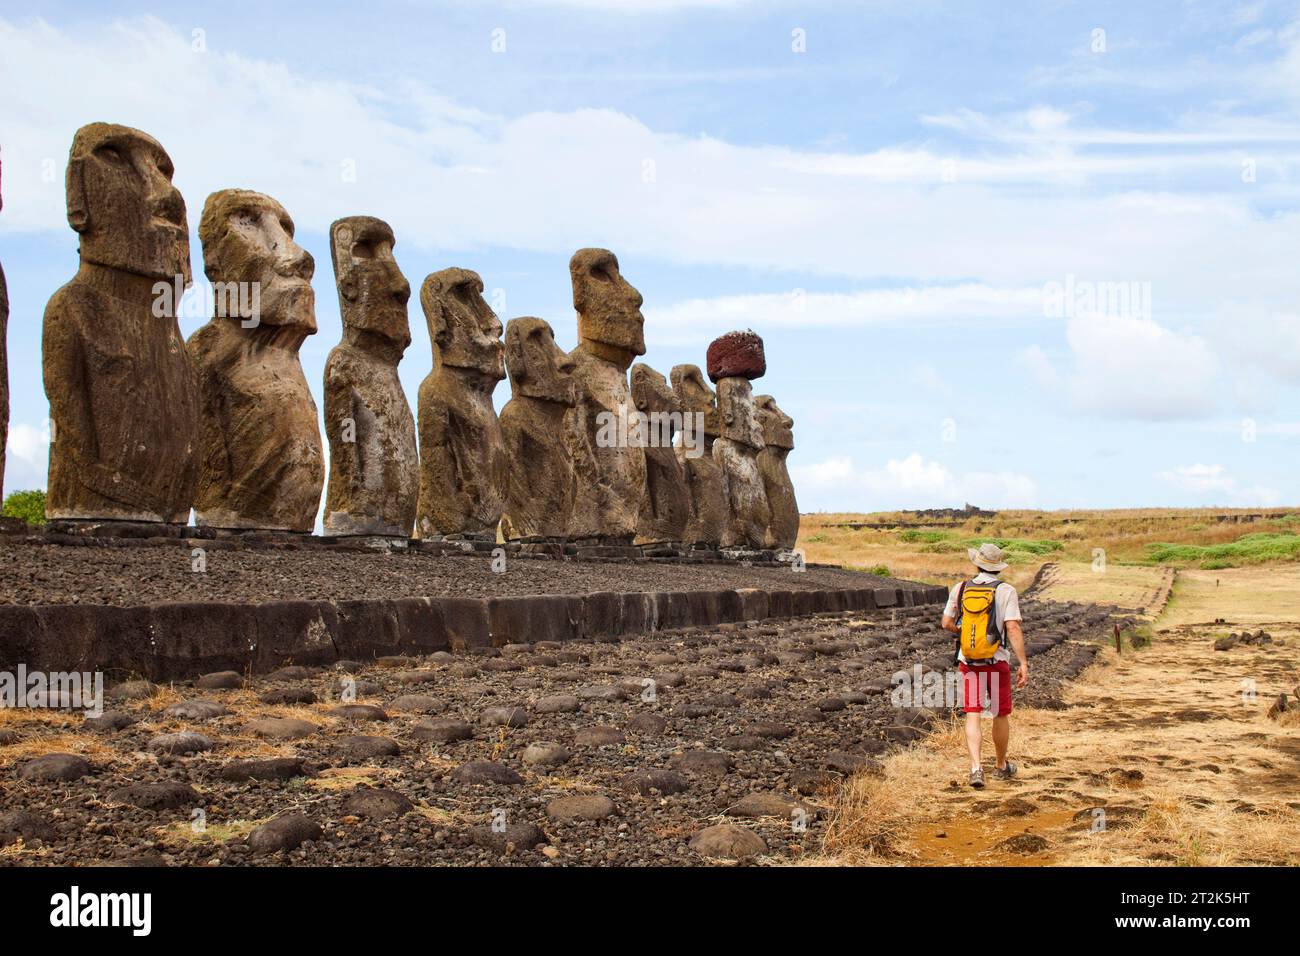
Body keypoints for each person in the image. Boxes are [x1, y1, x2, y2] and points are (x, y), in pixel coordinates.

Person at [941, 543, 1029, 788]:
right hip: (996, 660)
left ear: (977, 563)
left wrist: (966, 632)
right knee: (1000, 714)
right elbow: (1012, 627)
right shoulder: (1006, 591)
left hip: (969, 661)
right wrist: (1023, 662)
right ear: (998, 567)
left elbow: (946, 622)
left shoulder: (960, 589)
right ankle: (1001, 765)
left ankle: (976, 769)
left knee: (973, 713)